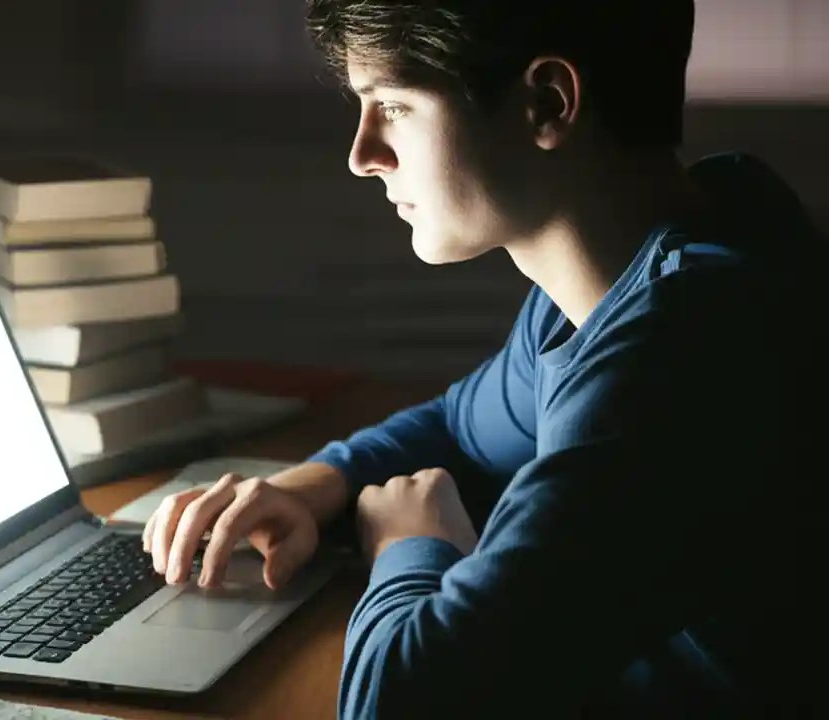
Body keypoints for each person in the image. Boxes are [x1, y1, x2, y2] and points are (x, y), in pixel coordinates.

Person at [141, 0, 822, 716]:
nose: (363, 154)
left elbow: (396, 703)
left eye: (395, 107)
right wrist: (319, 484)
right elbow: (463, 426)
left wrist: (408, 543)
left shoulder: (682, 355)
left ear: (547, 103)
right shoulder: (669, 247)